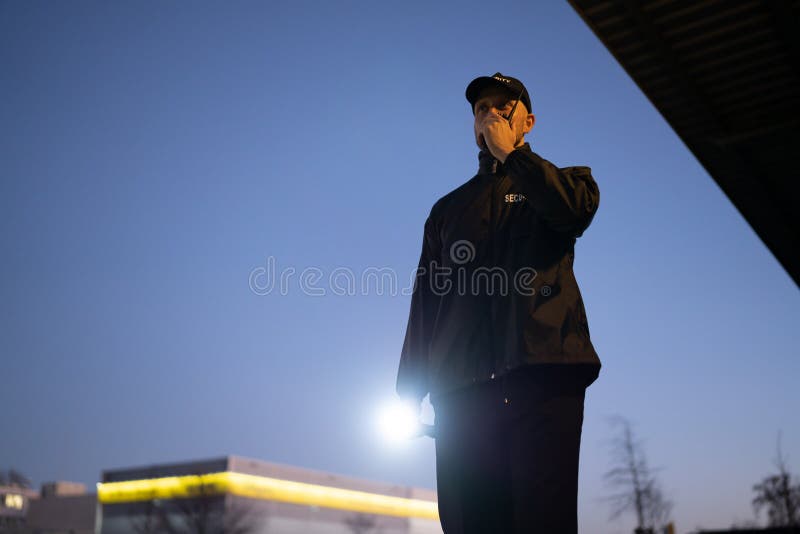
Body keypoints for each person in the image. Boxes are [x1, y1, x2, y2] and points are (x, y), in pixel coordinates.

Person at [396, 73, 602, 534]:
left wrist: (513, 156)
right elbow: (425, 299)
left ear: (526, 121)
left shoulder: (566, 182)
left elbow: (571, 212)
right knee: (470, 523)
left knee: (541, 520)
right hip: (461, 395)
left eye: (501, 106)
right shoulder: (446, 211)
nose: (488, 113)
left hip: (543, 379)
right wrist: (409, 388)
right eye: (480, 107)